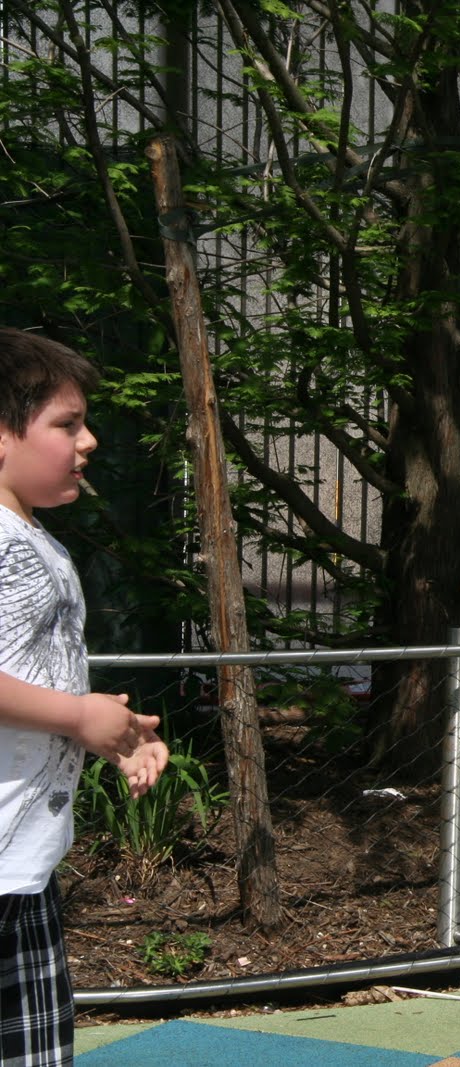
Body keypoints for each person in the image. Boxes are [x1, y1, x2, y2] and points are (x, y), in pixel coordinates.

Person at [0, 328, 169, 1067]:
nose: (90, 440)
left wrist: (115, 727)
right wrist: (78, 714)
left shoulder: (33, 539)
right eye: (66, 424)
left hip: (21, 865)